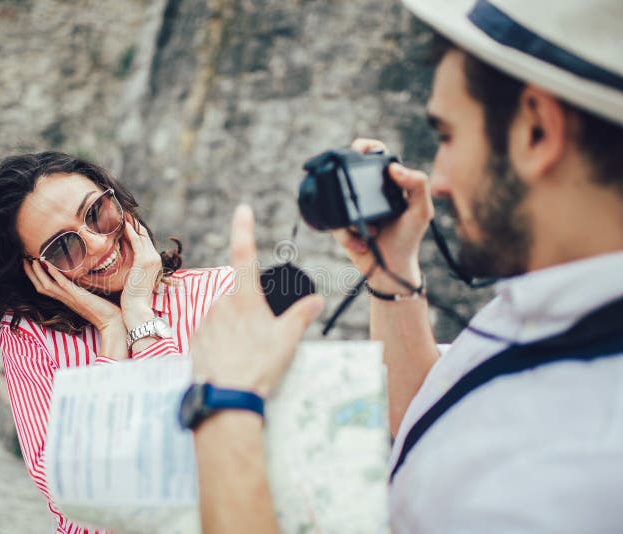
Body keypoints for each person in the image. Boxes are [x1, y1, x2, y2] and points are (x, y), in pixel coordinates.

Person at [186, 0, 623, 532]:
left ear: (536, 130)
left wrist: (225, 404)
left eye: (446, 136)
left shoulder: (576, 481)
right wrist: (391, 265)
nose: (435, 178)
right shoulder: (561, 295)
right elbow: (430, 414)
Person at [0, 152, 234, 534]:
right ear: (37, 268)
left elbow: (207, 459)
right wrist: (111, 338)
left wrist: (138, 314)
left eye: (96, 212)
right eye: (64, 248)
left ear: (113, 196)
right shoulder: (30, 338)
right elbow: (71, 489)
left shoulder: (221, 292)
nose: (98, 244)